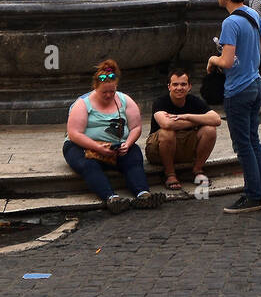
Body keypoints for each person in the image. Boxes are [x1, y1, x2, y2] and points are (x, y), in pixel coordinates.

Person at [207, 0, 261, 214]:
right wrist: (248, 59)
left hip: (238, 89)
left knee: (243, 145)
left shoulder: (230, 23)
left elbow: (225, 61)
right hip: (256, 84)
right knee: (253, 140)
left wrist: (212, 59)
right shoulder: (252, 13)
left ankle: (253, 195)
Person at [63, 59, 164, 212]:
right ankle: (111, 197)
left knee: (134, 158)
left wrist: (128, 143)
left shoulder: (125, 100)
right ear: (95, 88)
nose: (109, 95)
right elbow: (74, 133)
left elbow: (136, 127)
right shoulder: (83, 103)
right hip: (83, 146)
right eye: (105, 92)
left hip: (117, 145)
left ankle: (143, 194)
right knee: (89, 165)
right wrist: (97, 147)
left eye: (112, 91)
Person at [145, 67, 221, 192]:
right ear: (169, 86)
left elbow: (216, 120)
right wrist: (196, 121)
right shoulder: (160, 102)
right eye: (175, 84)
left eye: (183, 84)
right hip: (158, 150)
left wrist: (187, 116)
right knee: (167, 133)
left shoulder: (194, 101)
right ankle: (170, 174)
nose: (179, 88)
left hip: (184, 147)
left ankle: (197, 170)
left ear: (189, 86)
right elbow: (167, 124)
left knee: (210, 130)